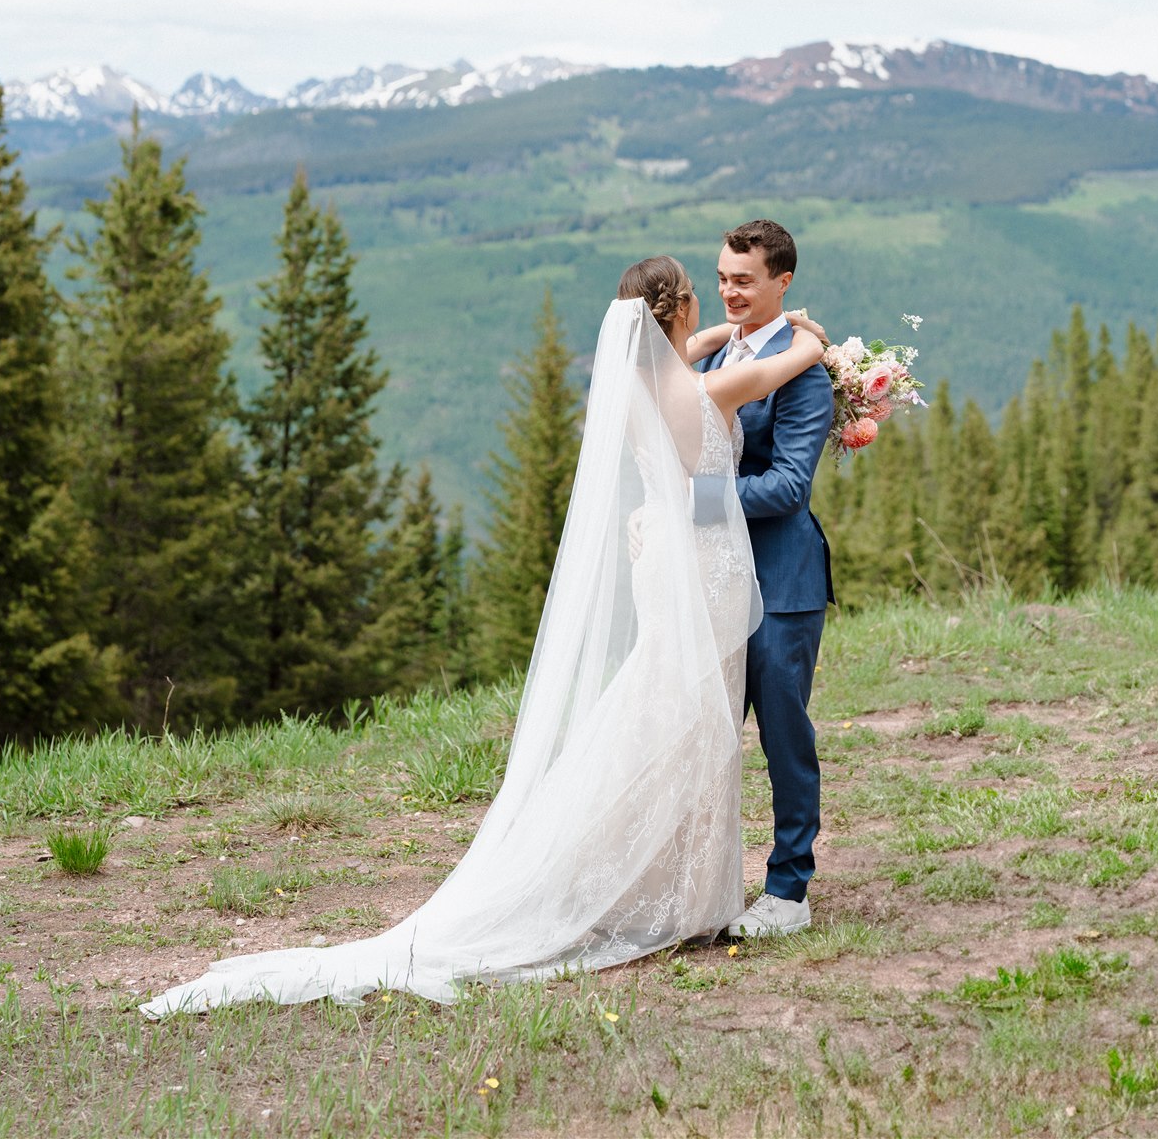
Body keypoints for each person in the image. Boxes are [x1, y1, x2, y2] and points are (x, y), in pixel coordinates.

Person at [140, 256, 825, 1015]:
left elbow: (688, 357)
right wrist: (812, 336)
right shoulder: (707, 389)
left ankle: (666, 884)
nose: (715, 301)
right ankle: (672, 889)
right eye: (703, 292)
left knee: (672, 713)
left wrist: (721, 334)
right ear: (680, 309)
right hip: (702, 570)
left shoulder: (636, 381)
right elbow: (790, 362)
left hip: (672, 559)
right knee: (687, 720)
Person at [692, 218, 835, 938]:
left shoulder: (804, 372)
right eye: (722, 278)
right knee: (703, 735)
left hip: (781, 578)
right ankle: (700, 886)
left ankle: (787, 891)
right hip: (711, 579)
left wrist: (691, 501)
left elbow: (786, 487)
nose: (729, 291)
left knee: (783, 736)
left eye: (744, 281)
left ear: (783, 281)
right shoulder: (719, 354)